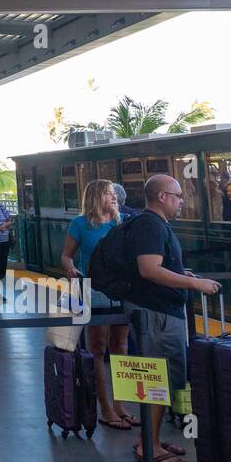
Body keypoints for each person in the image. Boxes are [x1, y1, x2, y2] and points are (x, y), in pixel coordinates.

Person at [124, 173, 220, 462]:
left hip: (159, 312)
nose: (182, 200)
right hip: (155, 315)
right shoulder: (151, 225)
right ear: (162, 197)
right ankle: (147, 447)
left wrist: (182, 275)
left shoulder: (153, 225)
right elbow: (149, 269)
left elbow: (159, 265)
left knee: (159, 379)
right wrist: (195, 285)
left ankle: (150, 440)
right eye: (178, 195)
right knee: (156, 379)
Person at [62, 179, 133, 431]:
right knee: (98, 349)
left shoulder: (121, 221)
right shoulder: (80, 224)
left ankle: (121, 404)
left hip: (121, 290)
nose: (114, 197)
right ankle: (106, 408)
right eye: (108, 193)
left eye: (114, 193)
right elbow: (67, 255)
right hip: (94, 290)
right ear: (95, 197)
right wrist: (70, 269)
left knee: (121, 347)